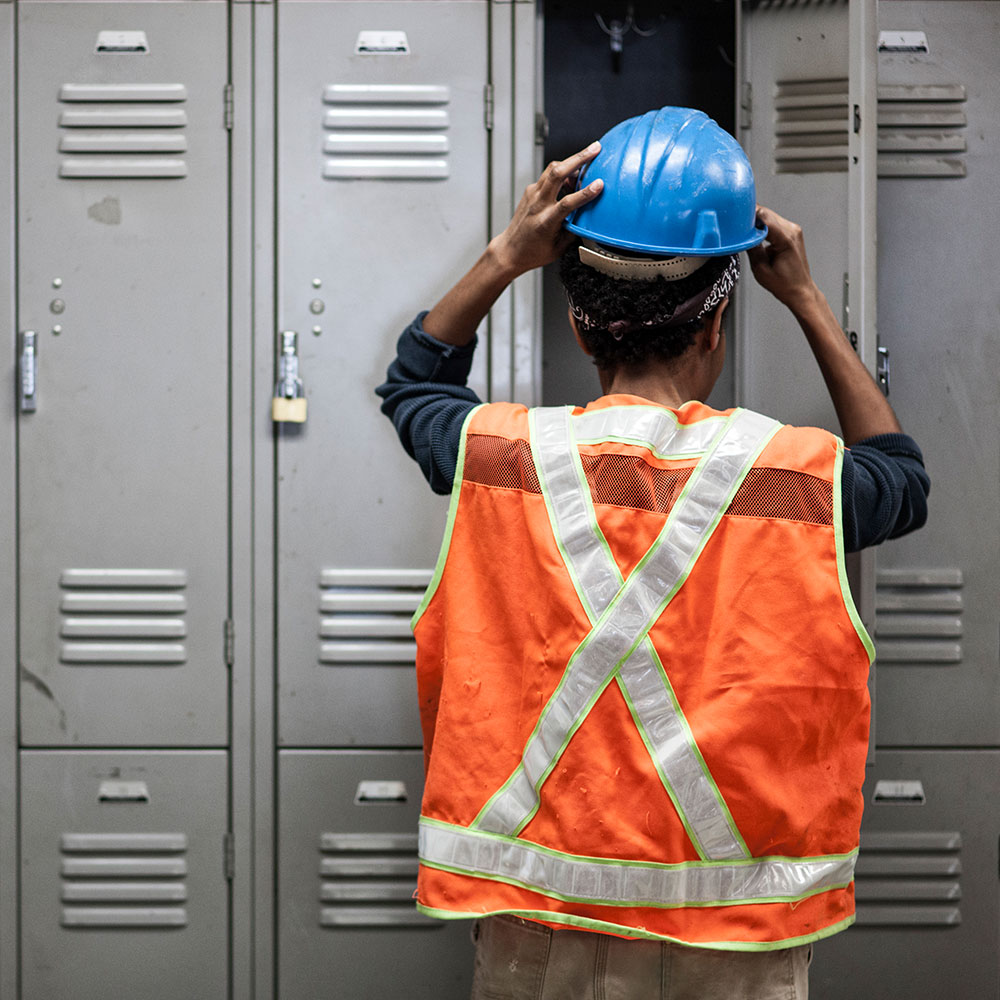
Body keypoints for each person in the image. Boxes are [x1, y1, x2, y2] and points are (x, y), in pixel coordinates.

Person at [377, 108, 928, 999]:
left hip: (537, 931)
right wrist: (808, 301)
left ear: (580, 328)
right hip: (735, 948)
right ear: (715, 327)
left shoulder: (498, 457)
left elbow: (414, 383)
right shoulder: (796, 479)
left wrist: (508, 253)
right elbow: (901, 475)